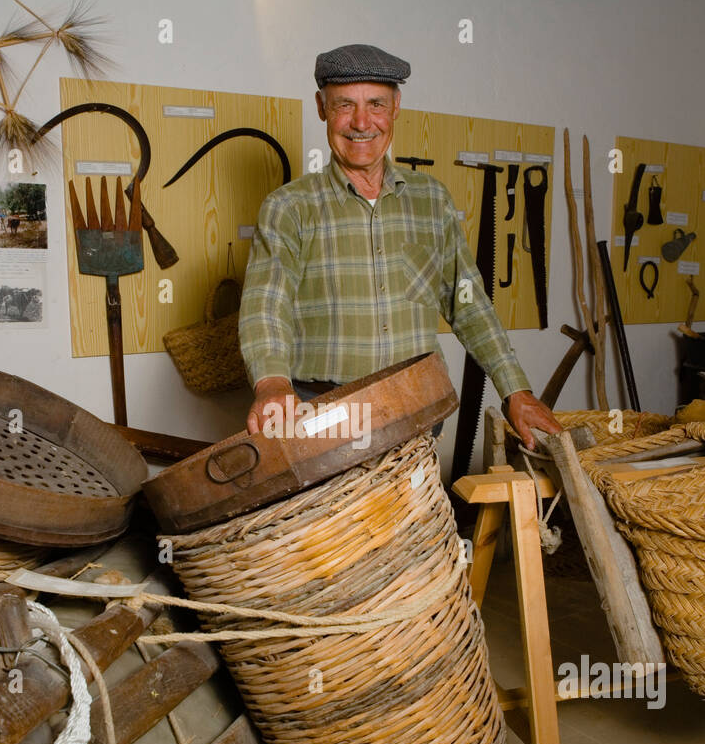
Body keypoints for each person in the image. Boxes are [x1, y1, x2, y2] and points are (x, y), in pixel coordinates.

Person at [238, 43, 562, 450]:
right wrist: (271, 383)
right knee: (341, 517)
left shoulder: (433, 200)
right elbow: (266, 305)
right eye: (344, 105)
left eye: (375, 104)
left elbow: (468, 302)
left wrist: (516, 390)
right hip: (323, 414)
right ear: (322, 107)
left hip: (417, 404)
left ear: (396, 107)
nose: (361, 122)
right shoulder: (288, 207)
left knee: (413, 512)